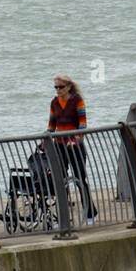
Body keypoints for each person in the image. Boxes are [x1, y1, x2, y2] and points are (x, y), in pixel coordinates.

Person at [47, 74, 97, 225]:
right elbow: (51, 126)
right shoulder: (54, 103)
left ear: (68, 87)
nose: (58, 90)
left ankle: (90, 214)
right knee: (60, 181)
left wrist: (76, 140)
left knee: (80, 180)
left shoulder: (77, 101)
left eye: (60, 87)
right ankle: (63, 218)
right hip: (60, 146)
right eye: (55, 87)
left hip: (75, 147)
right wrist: (45, 140)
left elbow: (82, 124)